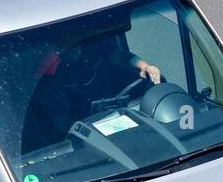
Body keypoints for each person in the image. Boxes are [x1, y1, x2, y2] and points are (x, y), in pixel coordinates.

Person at [19, 34, 160, 152]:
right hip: (74, 136)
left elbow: (120, 55)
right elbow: (58, 121)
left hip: (109, 119)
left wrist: (145, 66)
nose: (77, 50)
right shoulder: (49, 68)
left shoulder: (93, 46)